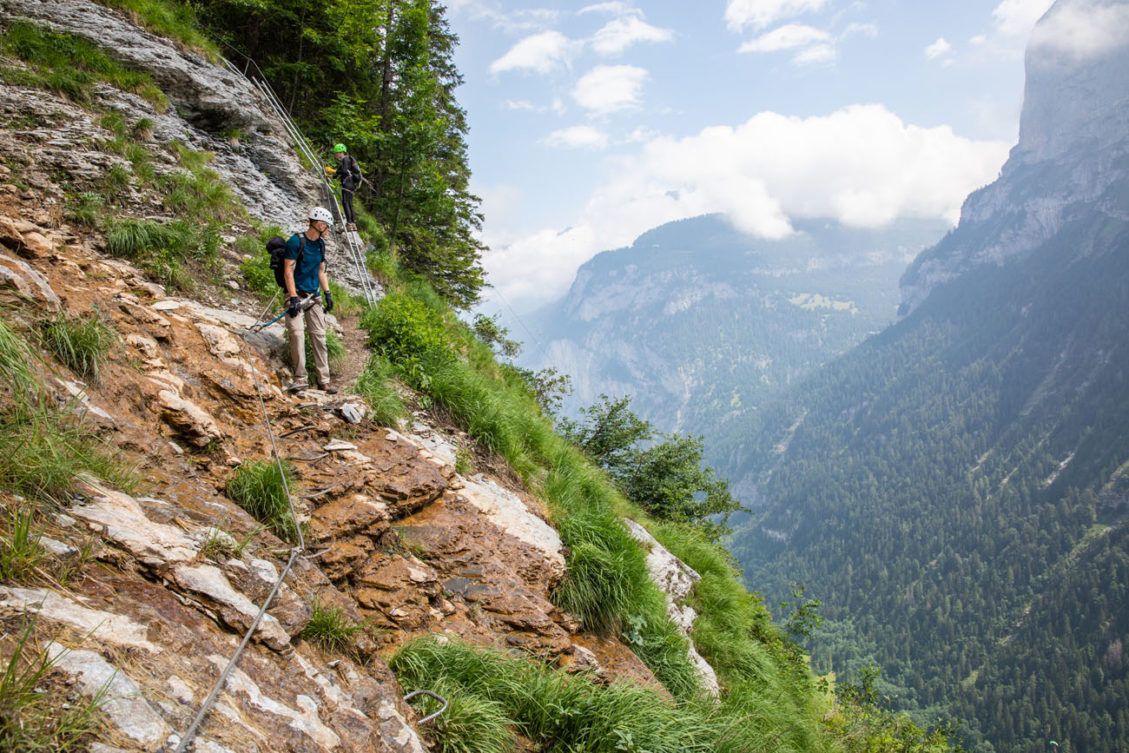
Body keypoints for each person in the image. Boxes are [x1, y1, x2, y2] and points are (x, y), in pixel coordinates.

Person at [283, 207, 337, 394]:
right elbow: (288, 270)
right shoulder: (296, 242)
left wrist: (327, 293)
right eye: (327, 227)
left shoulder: (321, 245)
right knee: (297, 334)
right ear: (320, 225)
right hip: (295, 295)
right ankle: (300, 378)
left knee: (319, 337)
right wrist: (293, 297)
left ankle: (324, 380)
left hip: (313, 297)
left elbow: (321, 271)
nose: (328, 230)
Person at [331, 143, 362, 231]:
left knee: (345, 203)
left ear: (341, 152)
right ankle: (353, 224)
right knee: (350, 203)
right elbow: (340, 172)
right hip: (352, 185)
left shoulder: (345, 159)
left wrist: (333, 171)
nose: (335, 154)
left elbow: (343, 171)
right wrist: (331, 174)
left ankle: (349, 223)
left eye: (336, 152)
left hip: (347, 184)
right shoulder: (348, 160)